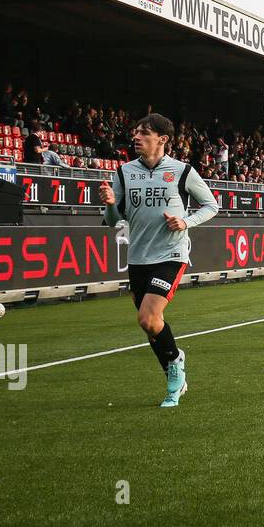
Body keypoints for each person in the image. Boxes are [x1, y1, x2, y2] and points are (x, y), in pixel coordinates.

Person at [99, 114, 219, 407]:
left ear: (162, 139)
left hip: (171, 254)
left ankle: (174, 373)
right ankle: (174, 364)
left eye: (144, 133)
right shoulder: (124, 172)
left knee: (149, 317)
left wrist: (186, 221)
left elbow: (212, 205)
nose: (136, 137)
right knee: (150, 325)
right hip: (138, 256)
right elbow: (113, 221)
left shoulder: (182, 171)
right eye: (136, 132)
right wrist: (111, 205)